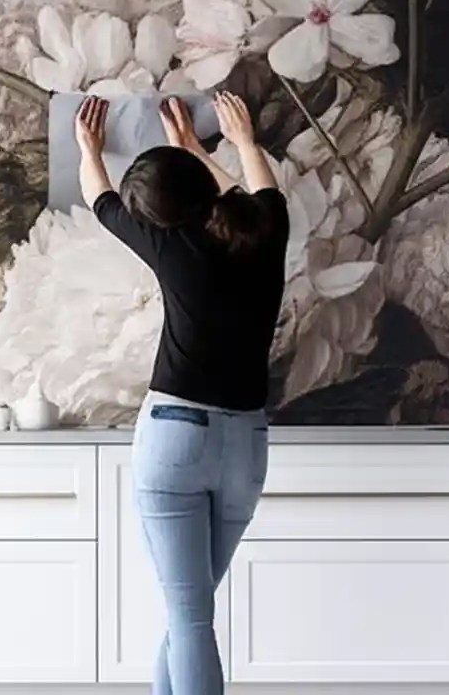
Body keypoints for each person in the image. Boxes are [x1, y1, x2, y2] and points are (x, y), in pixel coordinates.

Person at [75, 92, 288, 695]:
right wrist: (229, 144)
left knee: (189, 618)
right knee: (188, 616)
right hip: (246, 445)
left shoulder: (169, 246)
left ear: (157, 219)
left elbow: (101, 200)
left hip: (174, 437)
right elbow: (250, 193)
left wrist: (89, 149)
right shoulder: (267, 230)